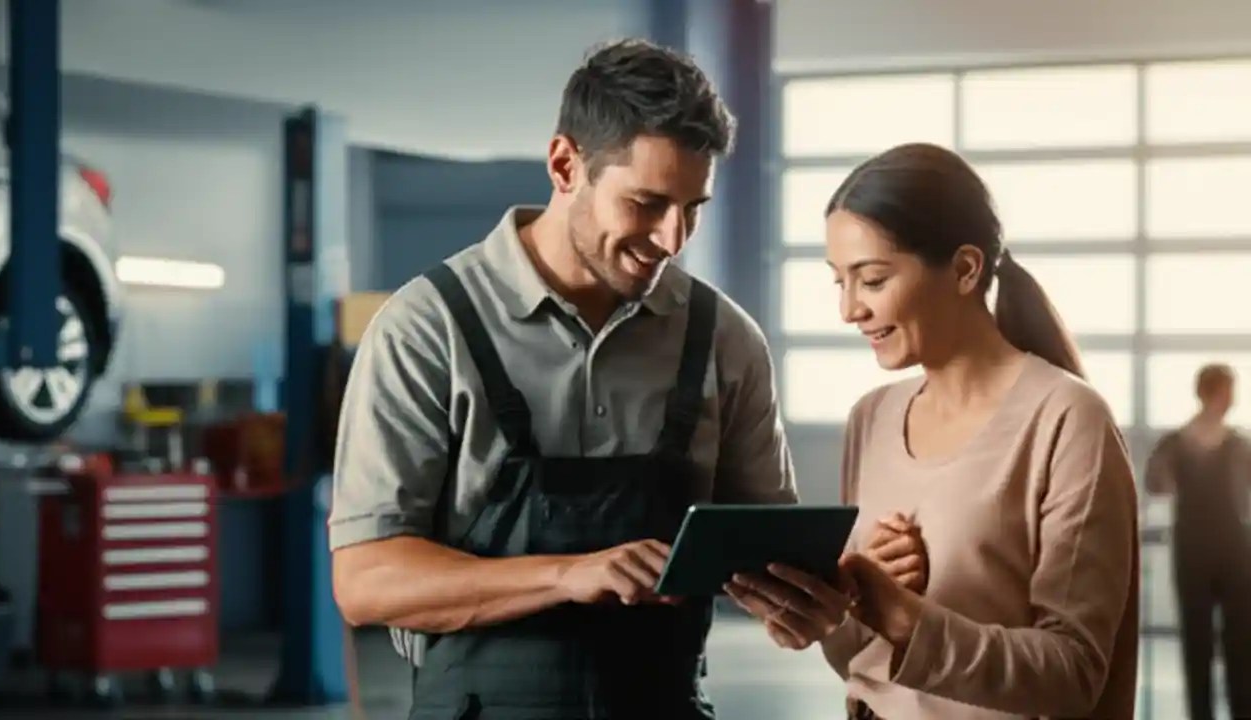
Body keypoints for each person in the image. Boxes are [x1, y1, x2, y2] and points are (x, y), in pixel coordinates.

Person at [326, 38, 816, 719]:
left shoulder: (725, 340)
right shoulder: (425, 328)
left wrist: (814, 596)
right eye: (646, 203)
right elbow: (366, 580)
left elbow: (767, 547)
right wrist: (569, 573)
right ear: (565, 165)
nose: (673, 238)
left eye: (692, 207)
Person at [724, 143, 1140, 719]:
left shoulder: (1068, 419)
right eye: (837, 281)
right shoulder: (872, 417)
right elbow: (859, 661)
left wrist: (903, 614)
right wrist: (833, 611)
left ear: (966, 269)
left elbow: (1073, 674)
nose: (849, 310)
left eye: (871, 279)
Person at [1145, 363, 1251, 720]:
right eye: (1230, 389)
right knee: (1199, 640)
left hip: (1230, 550)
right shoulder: (1177, 443)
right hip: (1198, 550)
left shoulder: (1237, 443)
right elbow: (1154, 483)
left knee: (1238, 639)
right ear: (1216, 392)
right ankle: (1204, 713)